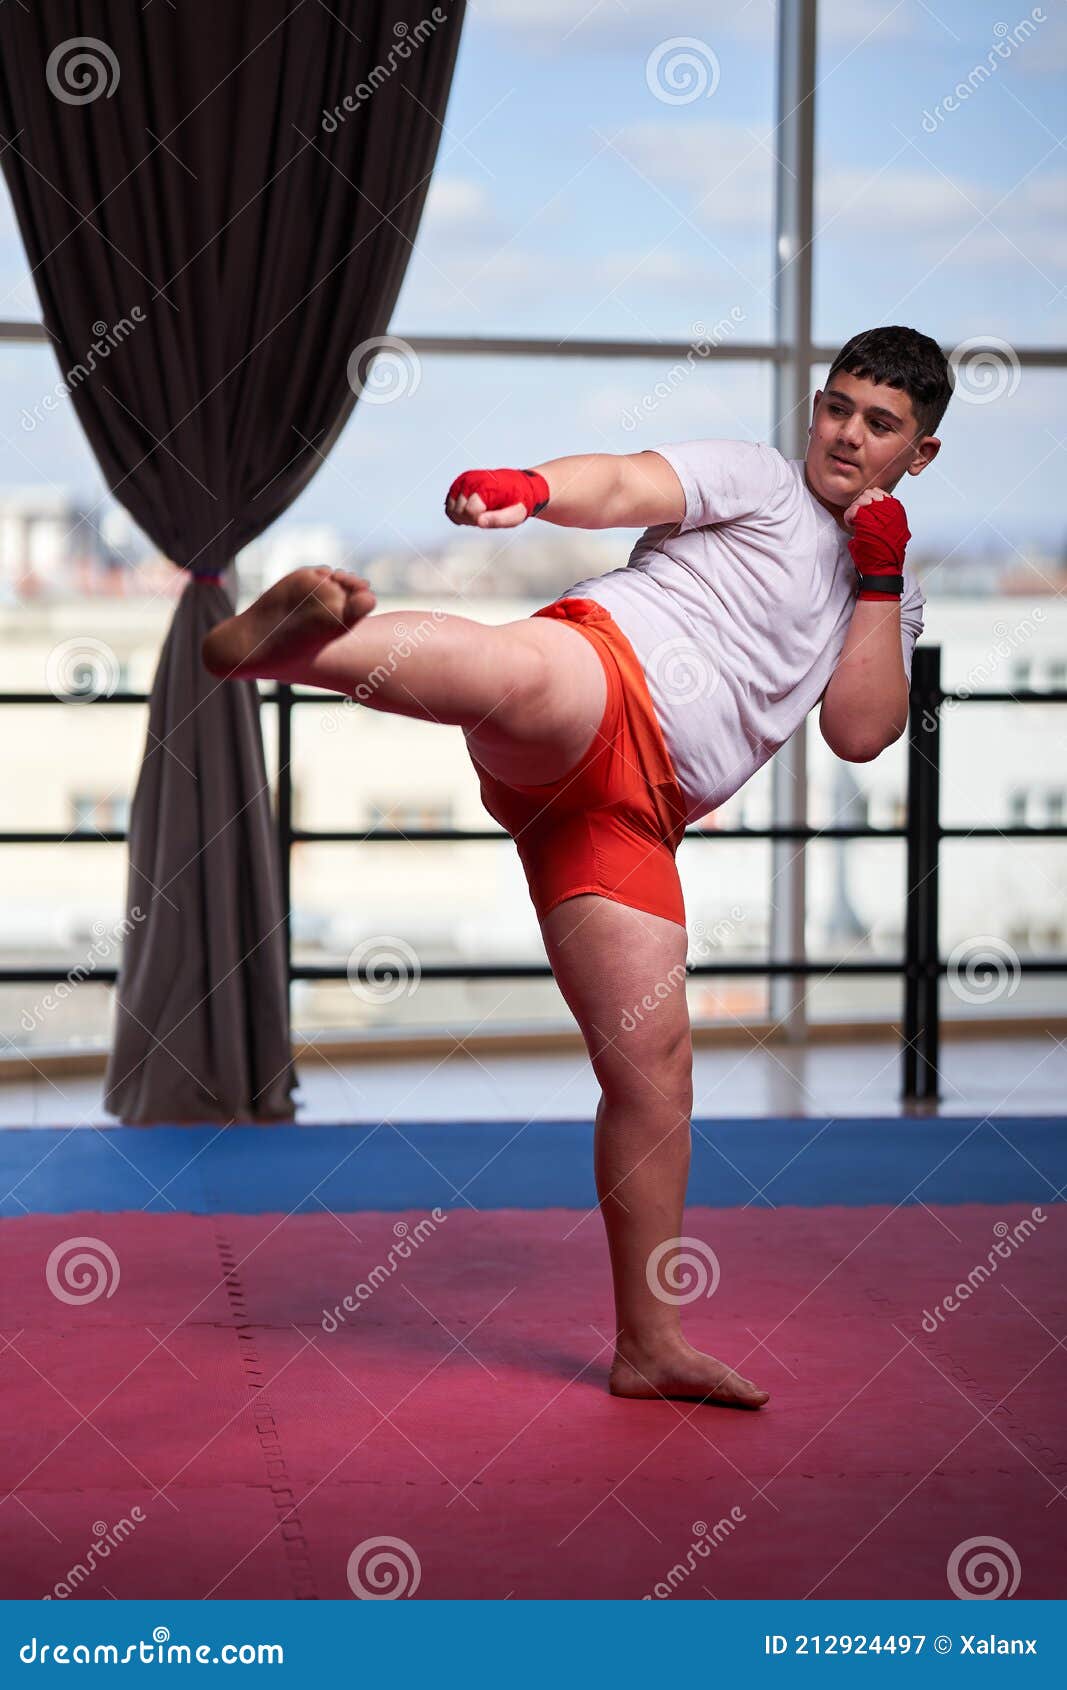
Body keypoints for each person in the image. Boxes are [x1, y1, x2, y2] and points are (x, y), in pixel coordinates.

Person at [203, 323, 952, 1409]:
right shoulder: (757, 482)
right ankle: (289, 651)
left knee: (653, 1071)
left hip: (632, 820)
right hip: (604, 675)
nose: (845, 432)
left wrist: (877, 578)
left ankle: (648, 1345)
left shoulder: (887, 597)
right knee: (514, 671)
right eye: (836, 406)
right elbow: (620, 481)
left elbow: (858, 729)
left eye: (879, 423)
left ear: (916, 455)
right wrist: (528, 486)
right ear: (811, 410)